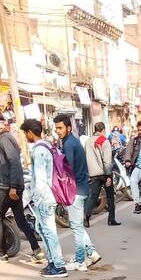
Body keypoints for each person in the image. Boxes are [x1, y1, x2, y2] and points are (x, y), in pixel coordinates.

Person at [0, 115, 44, 264]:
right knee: (20, 219)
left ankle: (1, 254)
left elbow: (13, 161)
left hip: (8, 188)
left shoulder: (4, 139)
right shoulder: (7, 138)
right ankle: (36, 250)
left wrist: (12, 187)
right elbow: (7, 163)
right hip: (12, 185)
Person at [21, 118, 67, 278]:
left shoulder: (39, 150)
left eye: (25, 133)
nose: (25, 136)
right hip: (50, 194)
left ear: (29, 133)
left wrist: (37, 198)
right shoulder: (48, 145)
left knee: (48, 231)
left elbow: (39, 178)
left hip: (45, 196)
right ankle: (53, 262)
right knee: (44, 230)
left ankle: (59, 265)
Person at [53, 113, 99, 270]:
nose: (57, 131)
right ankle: (92, 253)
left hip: (76, 191)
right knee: (78, 226)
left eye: (60, 128)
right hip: (82, 188)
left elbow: (68, 169)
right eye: (56, 128)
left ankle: (80, 261)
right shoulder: (72, 141)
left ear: (68, 127)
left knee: (76, 227)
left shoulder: (69, 144)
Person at [84, 122, 120, 228]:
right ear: (103, 130)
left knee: (93, 196)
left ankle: (86, 216)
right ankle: (111, 219)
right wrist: (109, 176)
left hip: (93, 173)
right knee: (110, 196)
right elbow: (107, 161)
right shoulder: (104, 141)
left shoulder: (88, 141)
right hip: (104, 173)